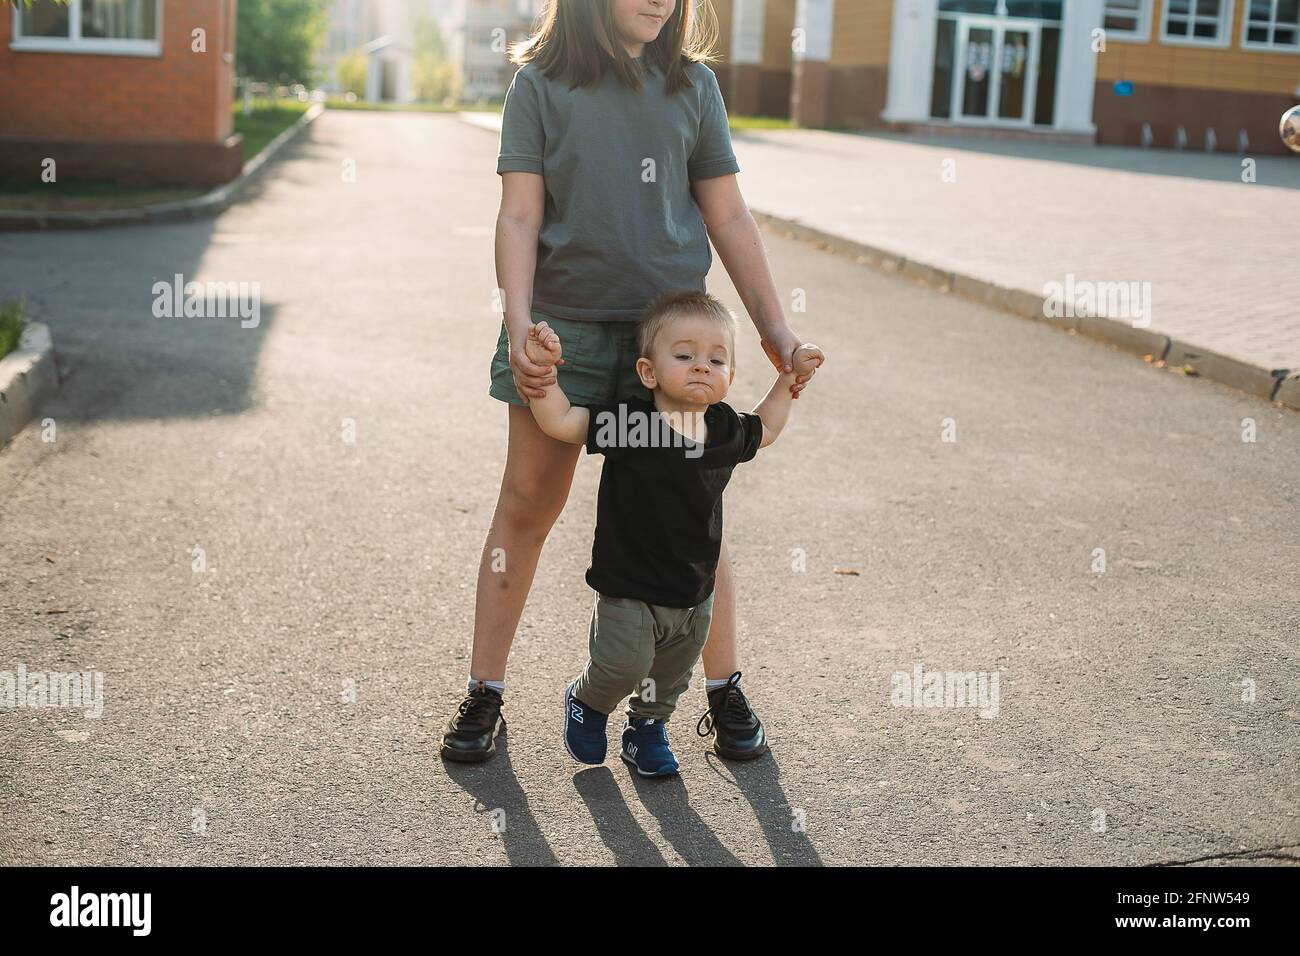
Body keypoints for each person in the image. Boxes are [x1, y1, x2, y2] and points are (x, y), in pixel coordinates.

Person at [440, 0, 822, 764]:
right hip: (565, 333)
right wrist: (520, 328)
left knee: (693, 515)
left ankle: (721, 692)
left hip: (673, 337)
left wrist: (776, 328)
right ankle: (487, 691)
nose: (663, 1)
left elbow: (731, 217)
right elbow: (518, 217)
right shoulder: (540, 85)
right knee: (526, 507)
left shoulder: (692, 86)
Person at [523, 292, 822, 776]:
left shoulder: (724, 429)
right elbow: (561, 421)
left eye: (716, 359)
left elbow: (765, 428)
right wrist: (544, 375)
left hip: (694, 590)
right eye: (684, 356)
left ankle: (646, 730)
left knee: (670, 674)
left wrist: (789, 379)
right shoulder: (631, 424)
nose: (701, 366)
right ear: (648, 372)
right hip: (628, 583)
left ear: (730, 377)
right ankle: (588, 700)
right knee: (624, 664)